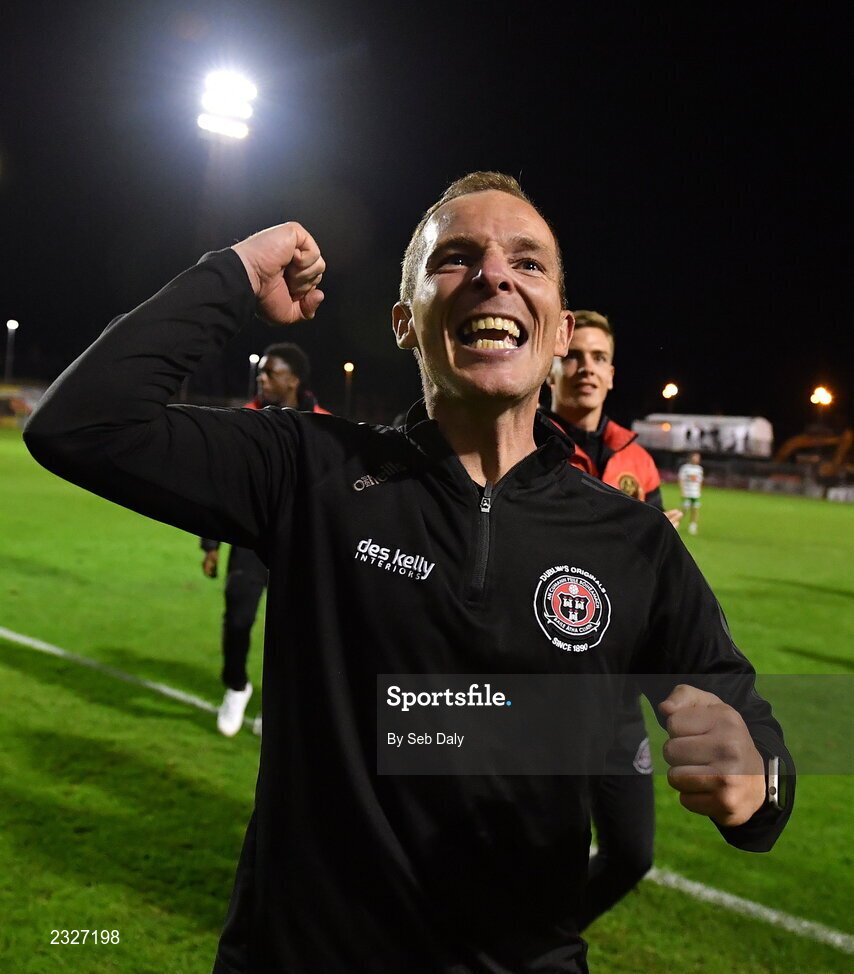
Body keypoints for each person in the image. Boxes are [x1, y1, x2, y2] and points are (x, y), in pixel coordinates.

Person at [25, 172, 794, 974]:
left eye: (526, 263)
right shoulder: (309, 469)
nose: (494, 274)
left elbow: (752, 733)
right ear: (405, 322)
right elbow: (83, 425)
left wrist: (756, 776)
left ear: (561, 333)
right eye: (455, 259)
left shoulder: (632, 541)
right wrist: (235, 275)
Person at [542, 309, 680, 929]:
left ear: (613, 373)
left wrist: (660, 551)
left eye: (598, 358)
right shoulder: (524, 444)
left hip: (617, 692)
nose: (586, 368)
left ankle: (542, 933)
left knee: (631, 853)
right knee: (535, 850)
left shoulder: (637, 461)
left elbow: (648, 582)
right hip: (540, 687)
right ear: (552, 366)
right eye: (575, 356)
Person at [202, 342, 328, 737]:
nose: (262, 377)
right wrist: (210, 545)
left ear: (293, 379)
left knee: (294, 632)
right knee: (238, 621)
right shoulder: (246, 419)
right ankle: (236, 686)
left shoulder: (324, 425)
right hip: (250, 543)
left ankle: (277, 703)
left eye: (270, 372)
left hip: (301, 549)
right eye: (262, 372)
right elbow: (221, 486)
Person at [679, 451, 705, 534]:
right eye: (695, 457)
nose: (696, 459)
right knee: (684, 510)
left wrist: (699, 490)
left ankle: (693, 526)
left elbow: (700, 481)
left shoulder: (699, 469)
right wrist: (682, 491)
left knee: (695, 509)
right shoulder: (685, 468)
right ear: (691, 457)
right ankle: (676, 523)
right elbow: (681, 480)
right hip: (687, 492)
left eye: (698, 457)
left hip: (695, 493)